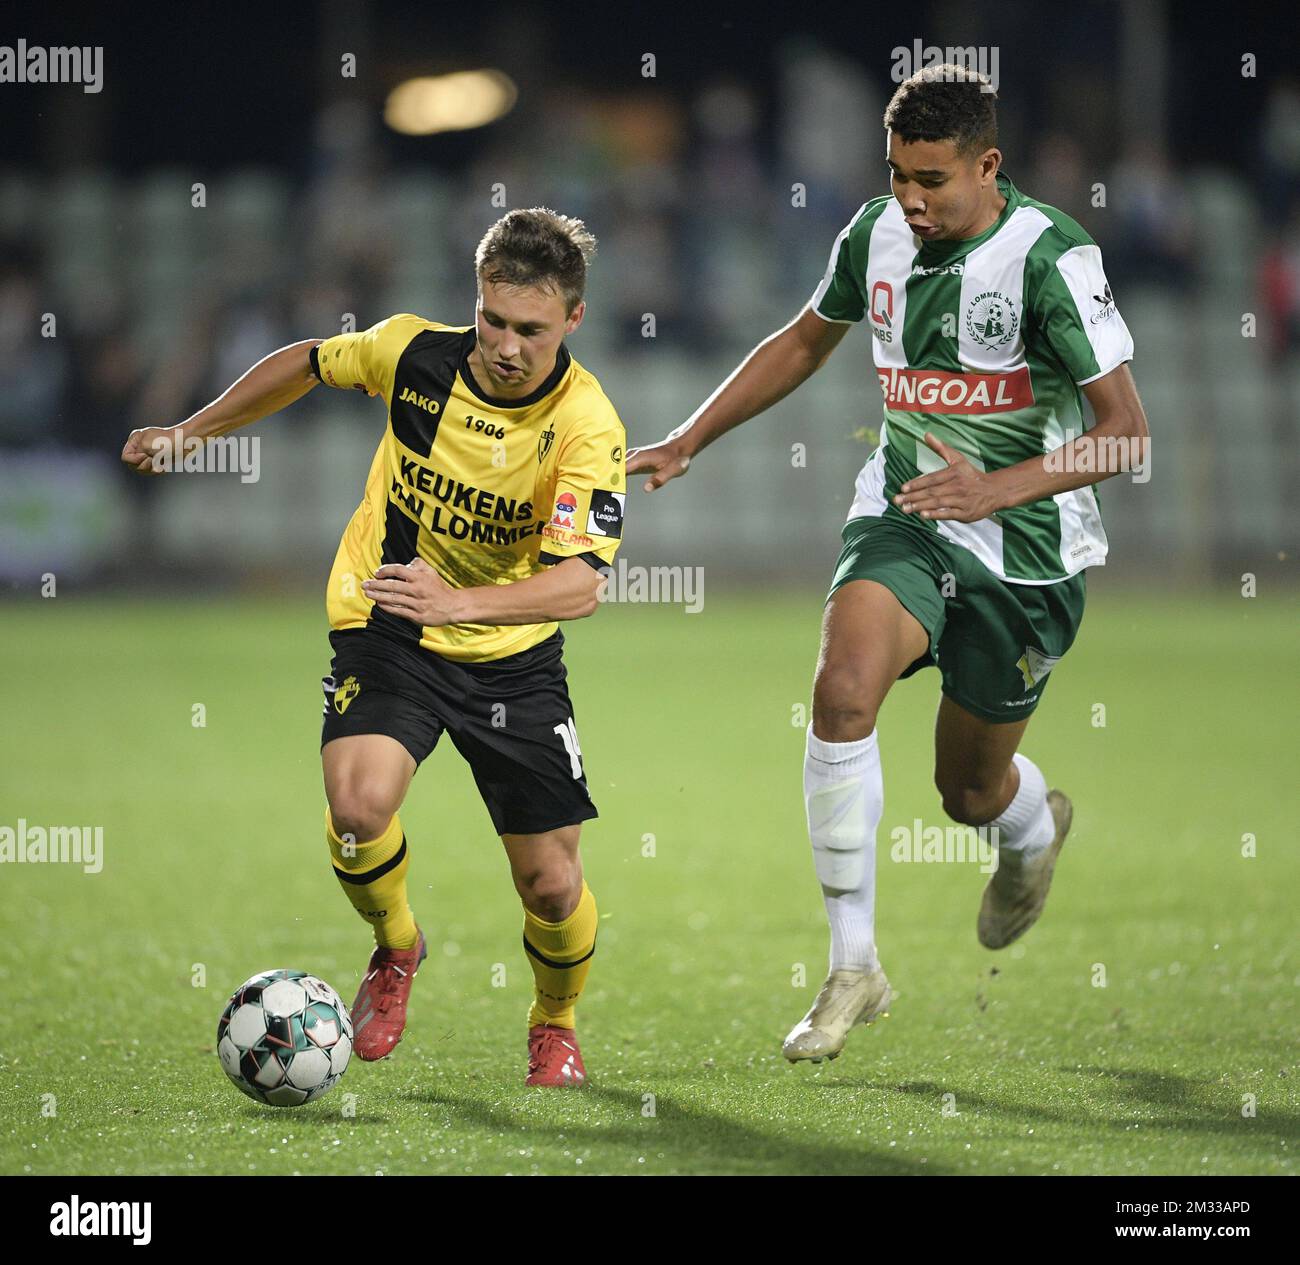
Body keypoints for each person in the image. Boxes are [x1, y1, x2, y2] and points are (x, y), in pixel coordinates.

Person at [628, 66, 1148, 1063]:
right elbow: (803, 340)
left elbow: (1126, 431)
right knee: (840, 694)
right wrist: (691, 436)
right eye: (898, 175)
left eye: (932, 180)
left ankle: (1029, 830)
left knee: (968, 793)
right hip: (904, 515)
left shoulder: (1050, 256)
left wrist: (996, 488)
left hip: (1026, 554)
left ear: (987, 166)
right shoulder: (874, 233)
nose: (910, 198)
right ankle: (853, 964)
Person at [122, 208, 627, 1086]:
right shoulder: (412, 354)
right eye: (494, 320)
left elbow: (581, 584)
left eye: (532, 330)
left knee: (550, 885)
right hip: (389, 619)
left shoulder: (587, 425)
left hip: (511, 656)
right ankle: (397, 946)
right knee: (358, 810)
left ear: (574, 319)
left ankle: (554, 1021)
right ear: (476, 301)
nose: (507, 346)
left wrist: (459, 601)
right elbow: (309, 360)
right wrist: (189, 432)